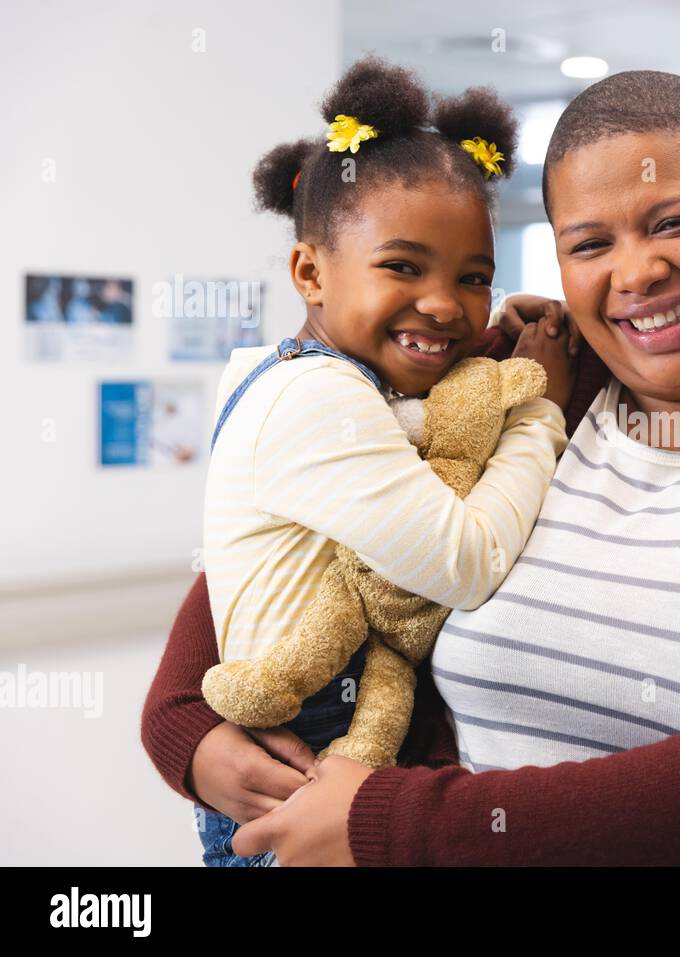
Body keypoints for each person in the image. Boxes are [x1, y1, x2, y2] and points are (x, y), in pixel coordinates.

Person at [141, 69, 680, 866]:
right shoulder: (518, 379)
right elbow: (293, 546)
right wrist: (185, 727)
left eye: (675, 222)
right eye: (590, 243)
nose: (638, 271)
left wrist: (401, 826)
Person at [186, 57, 574, 865]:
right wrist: (541, 411)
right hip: (305, 776)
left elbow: (431, 427)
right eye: (403, 266)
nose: (445, 304)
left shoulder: (335, 381)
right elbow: (468, 559)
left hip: (347, 765)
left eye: (475, 278)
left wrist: (499, 339)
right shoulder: (315, 402)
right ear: (309, 271)